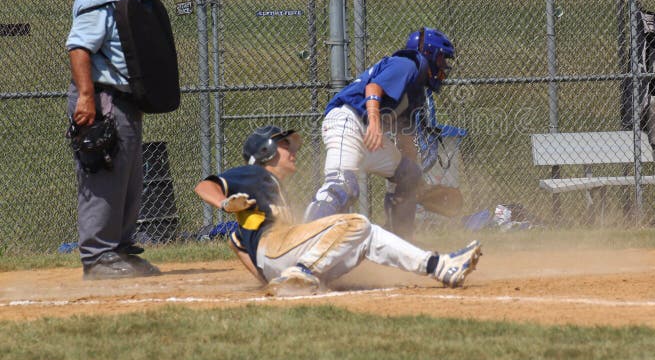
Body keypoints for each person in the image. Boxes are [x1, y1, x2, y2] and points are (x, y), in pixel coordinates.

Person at [194, 125, 481, 296]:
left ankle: (440, 267)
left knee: (368, 234)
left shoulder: (272, 191)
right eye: (284, 145)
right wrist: (223, 203)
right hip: (280, 251)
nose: (292, 151)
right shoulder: (256, 174)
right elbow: (204, 186)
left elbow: (237, 242)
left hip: (278, 256)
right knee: (355, 223)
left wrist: (267, 277)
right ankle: (301, 273)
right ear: (267, 152)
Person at [66, 0, 161, 280]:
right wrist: (87, 98)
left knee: (128, 179)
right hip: (102, 98)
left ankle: (119, 248)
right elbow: (79, 49)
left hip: (124, 100)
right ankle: (97, 257)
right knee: (104, 177)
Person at [303, 27, 455, 239]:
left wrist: (419, 185)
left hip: (368, 135)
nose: (444, 67)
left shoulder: (416, 90)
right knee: (343, 186)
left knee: (409, 175)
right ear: (430, 53)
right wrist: (374, 122)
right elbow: (373, 87)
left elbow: (405, 138)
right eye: (442, 59)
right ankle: (304, 239)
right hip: (349, 121)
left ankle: (397, 243)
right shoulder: (408, 64)